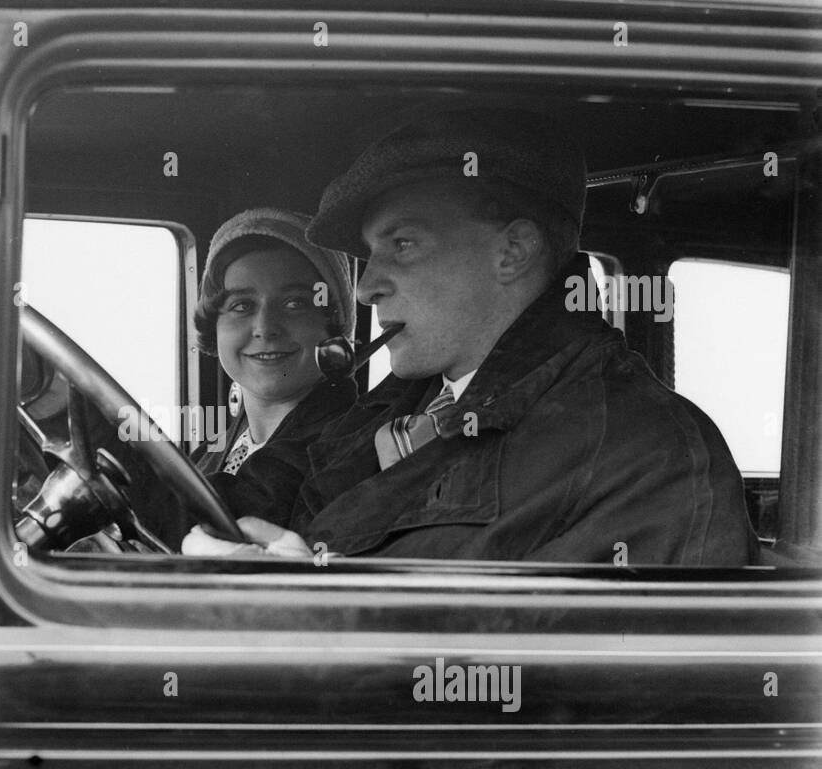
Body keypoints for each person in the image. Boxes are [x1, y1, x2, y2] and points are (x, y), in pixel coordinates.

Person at [184, 108, 758, 565]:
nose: (367, 289)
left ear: (513, 251)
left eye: (402, 245)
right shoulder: (405, 405)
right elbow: (264, 494)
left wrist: (310, 615)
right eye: (371, 254)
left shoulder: (645, 453)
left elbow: (566, 688)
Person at [188, 208, 357, 527]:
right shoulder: (216, 449)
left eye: (295, 303)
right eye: (242, 306)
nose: (265, 327)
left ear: (332, 326)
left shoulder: (347, 445)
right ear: (214, 326)